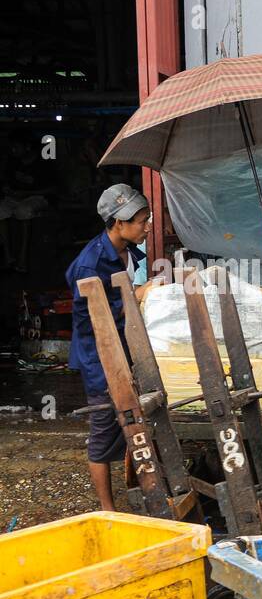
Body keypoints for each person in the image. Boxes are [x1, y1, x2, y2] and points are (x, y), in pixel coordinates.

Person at [65, 184, 150, 510]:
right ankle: (107, 508)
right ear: (119, 223)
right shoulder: (91, 264)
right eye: (142, 221)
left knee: (132, 420)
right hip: (100, 357)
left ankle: (140, 488)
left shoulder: (127, 251)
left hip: (126, 350)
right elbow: (90, 322)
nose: (147, 226)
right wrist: (133, 299)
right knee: (103, 427)